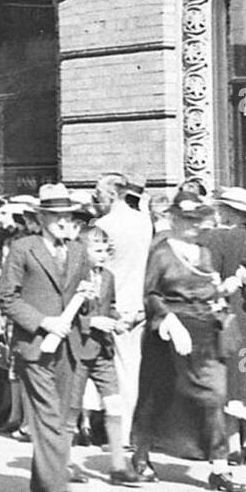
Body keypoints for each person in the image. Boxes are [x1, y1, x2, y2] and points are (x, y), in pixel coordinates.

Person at [131, 190, 246, 492]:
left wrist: (225, 289)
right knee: (157, 394)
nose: (194, 225)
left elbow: (209, 292)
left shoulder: (204, 253)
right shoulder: (162, 251)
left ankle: (219, 468)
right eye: (187, 219)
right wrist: (167, 319)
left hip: (205, 335)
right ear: (174, 219)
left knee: (214, 395)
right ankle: (141, 455)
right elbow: (150, 293)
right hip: (168, 334)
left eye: (197, 219)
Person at [0, 184, 91, 492]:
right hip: (34, 346)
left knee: (62, 419)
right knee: (48, 417)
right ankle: (57, 491)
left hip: (69, 347)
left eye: (67, 215)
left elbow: (80, 295)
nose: (63, 221)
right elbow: (7, 298)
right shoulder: (23, 248)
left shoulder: (79, 250)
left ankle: (40, 490)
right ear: (41, 218)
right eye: (55, 216)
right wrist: (43, 322)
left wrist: (87, 301)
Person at [65, 226, 140, 484]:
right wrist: (91, 323)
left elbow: (111, 307)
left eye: (107, 250)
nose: (104, 255)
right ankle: (62, 463)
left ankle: (118, 466)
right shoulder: (72, 275)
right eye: (98, 250)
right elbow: (65, 313)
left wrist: (121, 320)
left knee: (115, 403)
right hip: (76, 350)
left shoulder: (108, 276)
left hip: (102, 351)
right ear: (82, 250)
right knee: (71, 408)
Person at [200, 187, 246, 466]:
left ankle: (233, 444)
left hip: (227, 321)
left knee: (229, 380)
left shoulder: (215, 238)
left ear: (228, 211)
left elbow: (209, 278)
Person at [93, 173, 153, 451]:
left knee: (117, 371)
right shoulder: (144, 221)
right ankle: (135, 431)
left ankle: (122, 433)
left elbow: (97, 267)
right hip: (140, 303)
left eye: (99, 193)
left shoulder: (103, 225)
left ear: (113, 194)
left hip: (114, 304)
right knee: (135, 369)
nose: (96, 198)